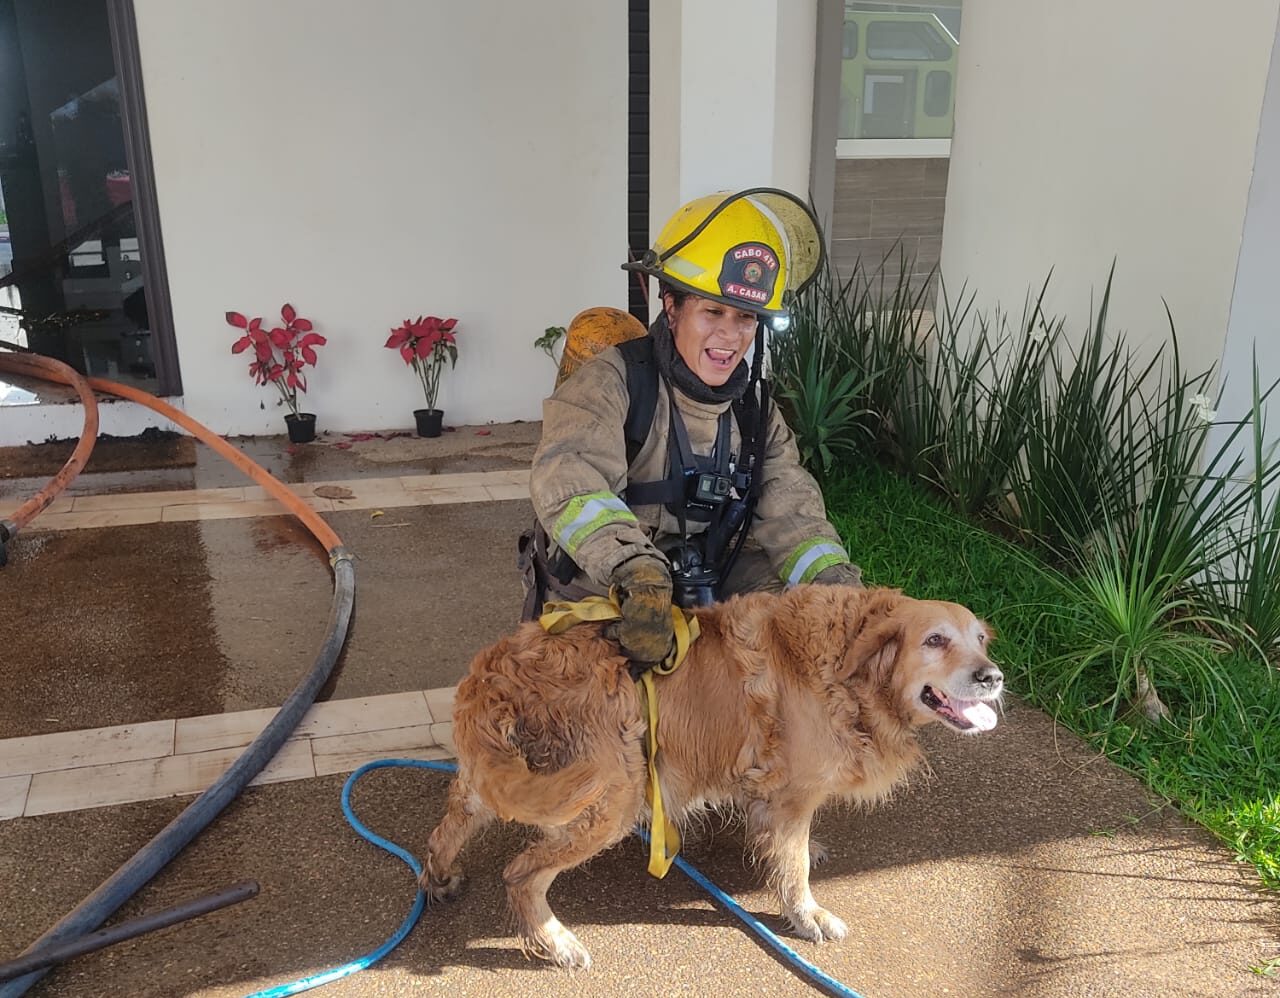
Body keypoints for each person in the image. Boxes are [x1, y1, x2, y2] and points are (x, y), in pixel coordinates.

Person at [525, 188, 863, 666]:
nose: (730, 335)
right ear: (671, 306)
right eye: (713, 311)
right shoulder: (612, 383)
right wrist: (635, 570)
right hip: (606, 574)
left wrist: (837, 588)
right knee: (596, 692)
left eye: (746, 318)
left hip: (706, 571)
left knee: (801, 637)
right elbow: (568, 479)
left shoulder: (754, 411)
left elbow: (792, 511)